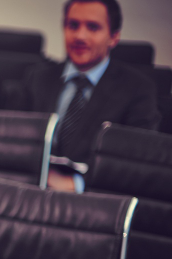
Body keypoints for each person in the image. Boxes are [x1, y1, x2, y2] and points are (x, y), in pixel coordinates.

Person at [16, 0, 160, 191]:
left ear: (114, 37)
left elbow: (137, 164)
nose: (80, 36)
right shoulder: (37, 78)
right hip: (30, 192)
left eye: (93, 27)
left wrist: (78, 185)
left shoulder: (138, 90)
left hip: (95, 203)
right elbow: (13, 142)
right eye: (73, 25)